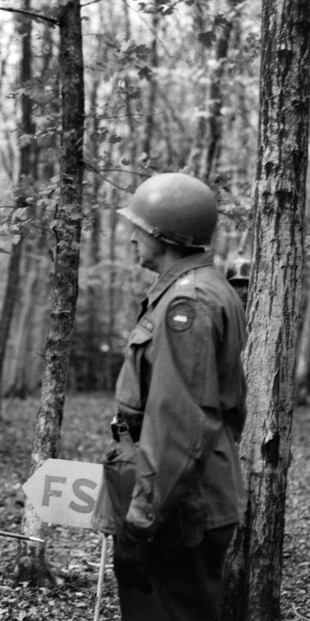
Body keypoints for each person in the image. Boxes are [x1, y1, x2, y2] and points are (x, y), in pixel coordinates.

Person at [93, 173, 247, 620]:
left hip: (175, 501)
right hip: (180, 490)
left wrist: (143, 515)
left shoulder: (188, 302)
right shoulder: (198, 289)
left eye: (138, 228)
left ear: (165, 234)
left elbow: (180, 420)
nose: (130, 238)